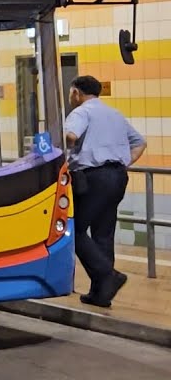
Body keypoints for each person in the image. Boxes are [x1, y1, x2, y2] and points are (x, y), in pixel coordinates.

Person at [64, 75, 146, 307]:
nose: (71, 97)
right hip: (118, 176)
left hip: (93, 178)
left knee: (74, 230)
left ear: (77, 93)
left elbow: (71, 136)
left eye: (72, 93)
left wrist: (61, 146)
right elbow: (140, 142)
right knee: (103, 233)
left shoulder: (81, 112)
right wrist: (122, 163)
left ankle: (107, 275)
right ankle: (101, 294)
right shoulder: (115, 114)